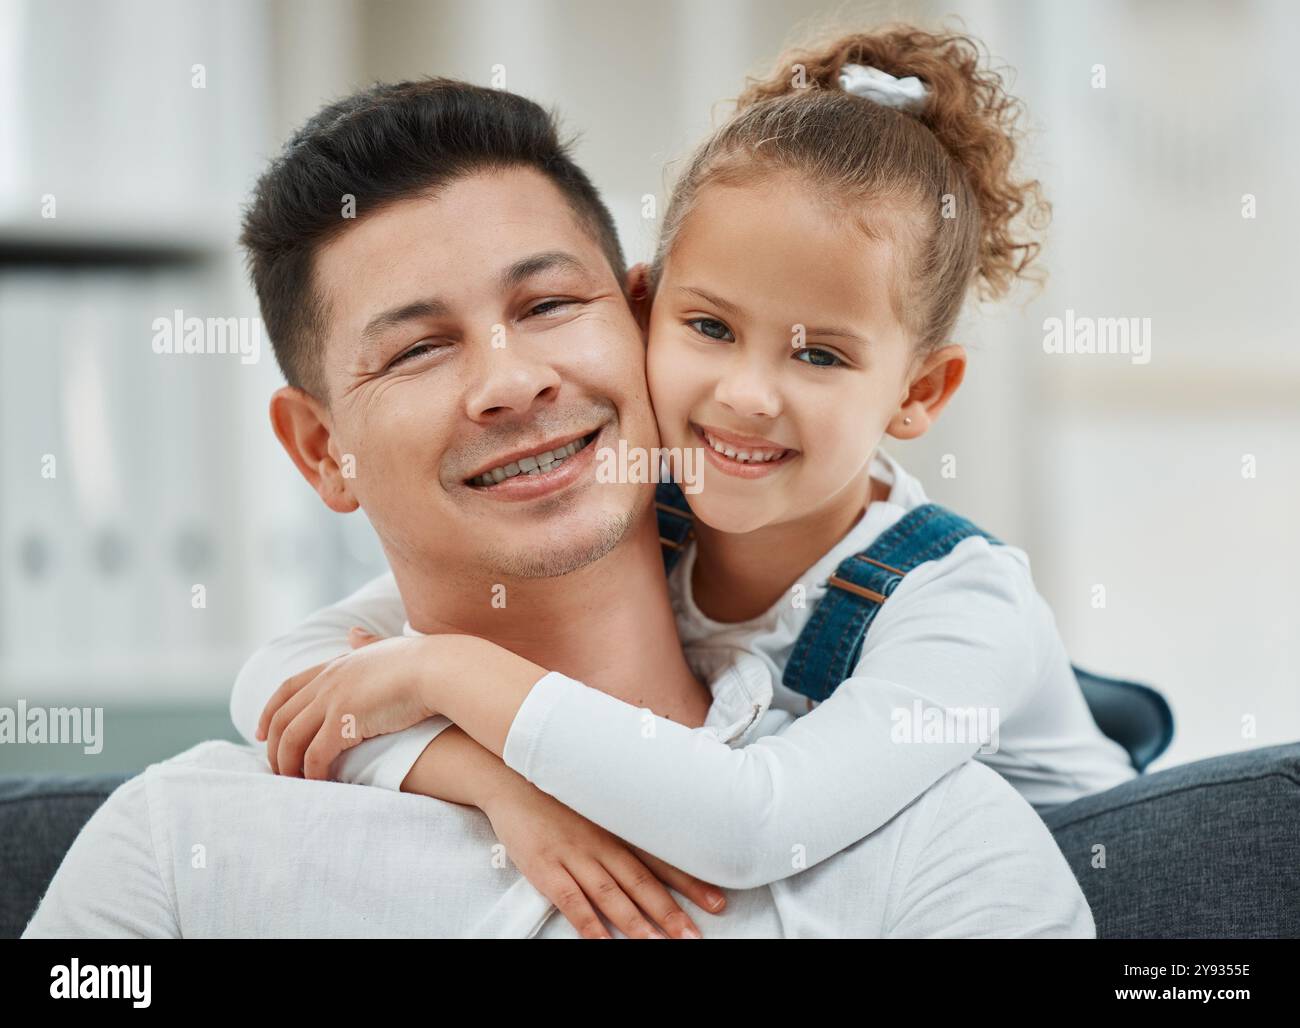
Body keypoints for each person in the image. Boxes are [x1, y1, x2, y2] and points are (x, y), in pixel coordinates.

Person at [23, 71, 1093, 939]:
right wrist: (486, 771)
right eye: (419, 346)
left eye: (547, 304)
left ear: (630, 319)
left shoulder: (925, 827)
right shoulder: (179, 846)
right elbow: (294, 682)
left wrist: (458, 680)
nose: (511, 381)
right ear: (321, 449)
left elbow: (751, 817)